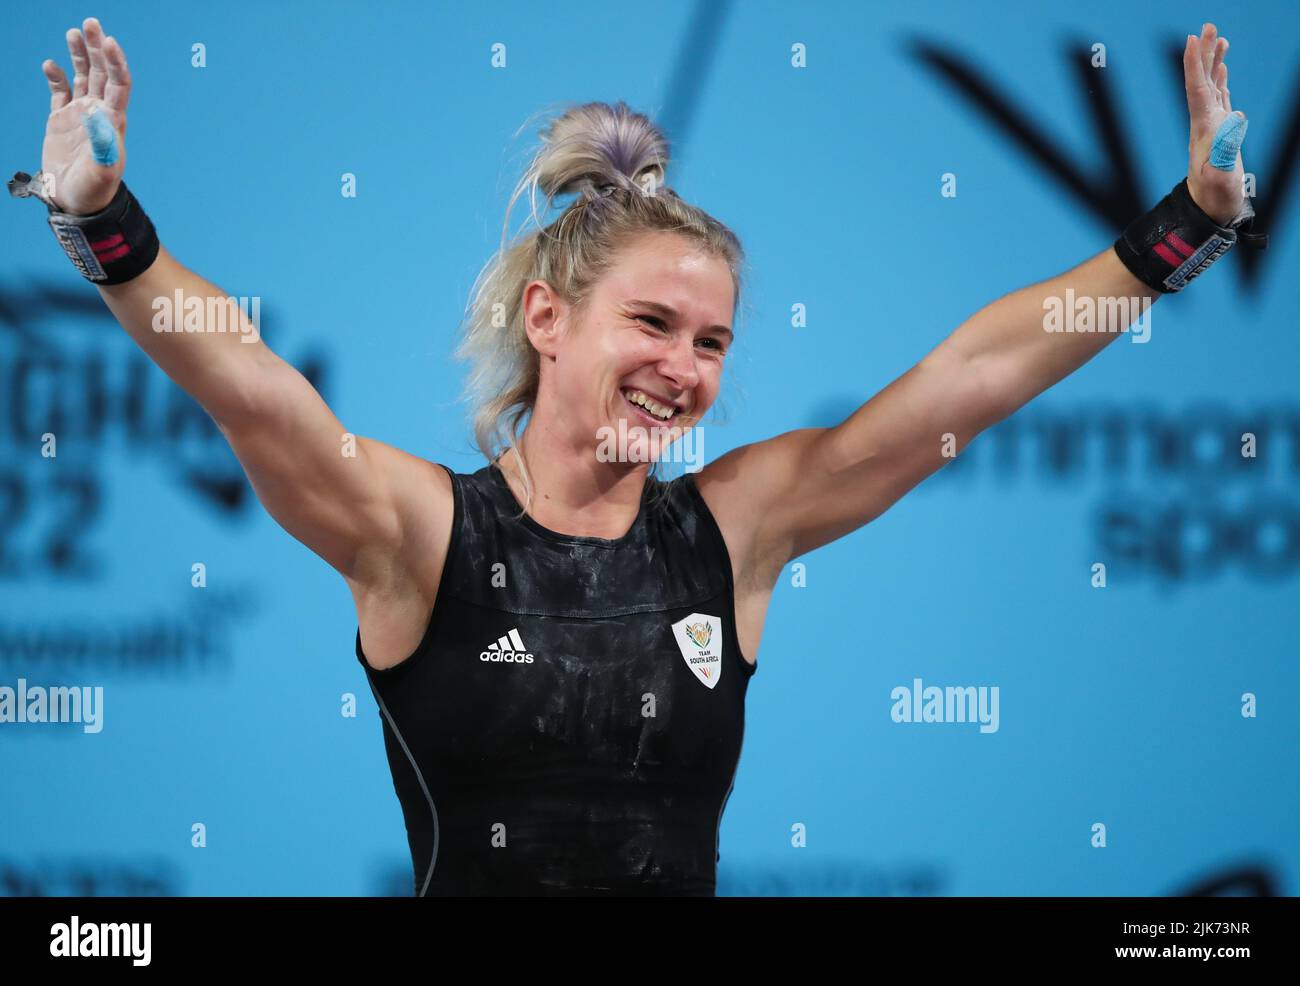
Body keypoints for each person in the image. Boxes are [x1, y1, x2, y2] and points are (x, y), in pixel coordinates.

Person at [12, 18, 1265, 896]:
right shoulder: (419, 534)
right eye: (653, 323)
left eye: (713, 339)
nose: (687, 366)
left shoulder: (738, 529)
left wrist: (1188, 228)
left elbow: (974, 378)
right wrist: (102, 220)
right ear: (547, 322)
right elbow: (256, 393)